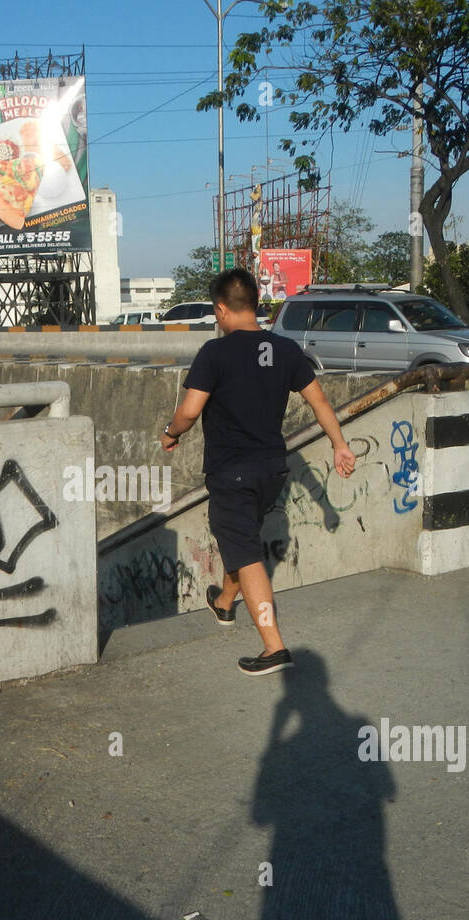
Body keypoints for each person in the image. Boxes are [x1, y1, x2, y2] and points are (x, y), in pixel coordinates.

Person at [161, 268, 356, 677]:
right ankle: (224, 603)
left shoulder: (214, 353)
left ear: (220, 309)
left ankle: (273, 646)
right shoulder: (285, 350)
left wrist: (170, 433)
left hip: (232, 471)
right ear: (253, 304)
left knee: (246, 551)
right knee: (242, 539)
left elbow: (190, 411)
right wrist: (340, 444)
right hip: (273, 470)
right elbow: (320, 402)